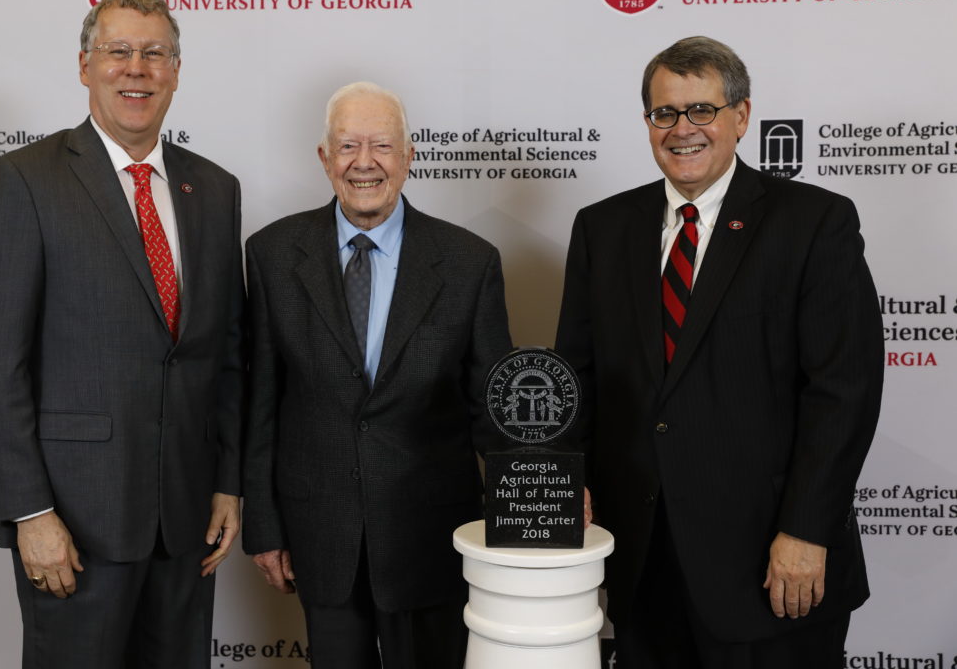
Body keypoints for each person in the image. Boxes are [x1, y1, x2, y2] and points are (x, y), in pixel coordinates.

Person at [554, 36, 883, 667]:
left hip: (771, 563)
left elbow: (844, 390)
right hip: (644, 563)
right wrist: (571, 482)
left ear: (741, 116)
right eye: (665, 113)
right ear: (648, 122)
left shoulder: (814, 222)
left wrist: (806, 529)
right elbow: (577, 378)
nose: (683, 129)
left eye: (702, 110)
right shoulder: (602, 227)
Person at [0, 0, 244, 668]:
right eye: (118, 51)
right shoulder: (26, 180)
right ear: (85, 65)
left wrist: (228, 481)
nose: (136, 69)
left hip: (185, 524)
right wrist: (30, 514)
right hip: (74, 525)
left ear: (176, 71)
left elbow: (228, 353)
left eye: (154, 54)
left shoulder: (215, 189)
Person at [242, 81, 511, 669]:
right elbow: (260, 403)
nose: (364, 162)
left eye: (382, 146)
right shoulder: (271, 254)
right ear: (324, 158)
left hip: (431, 536)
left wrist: (542, 489)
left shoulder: (469, 262)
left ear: (409, 155)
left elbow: (493, 411)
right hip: (320, 532)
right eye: (348, 146)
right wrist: (263, 525)